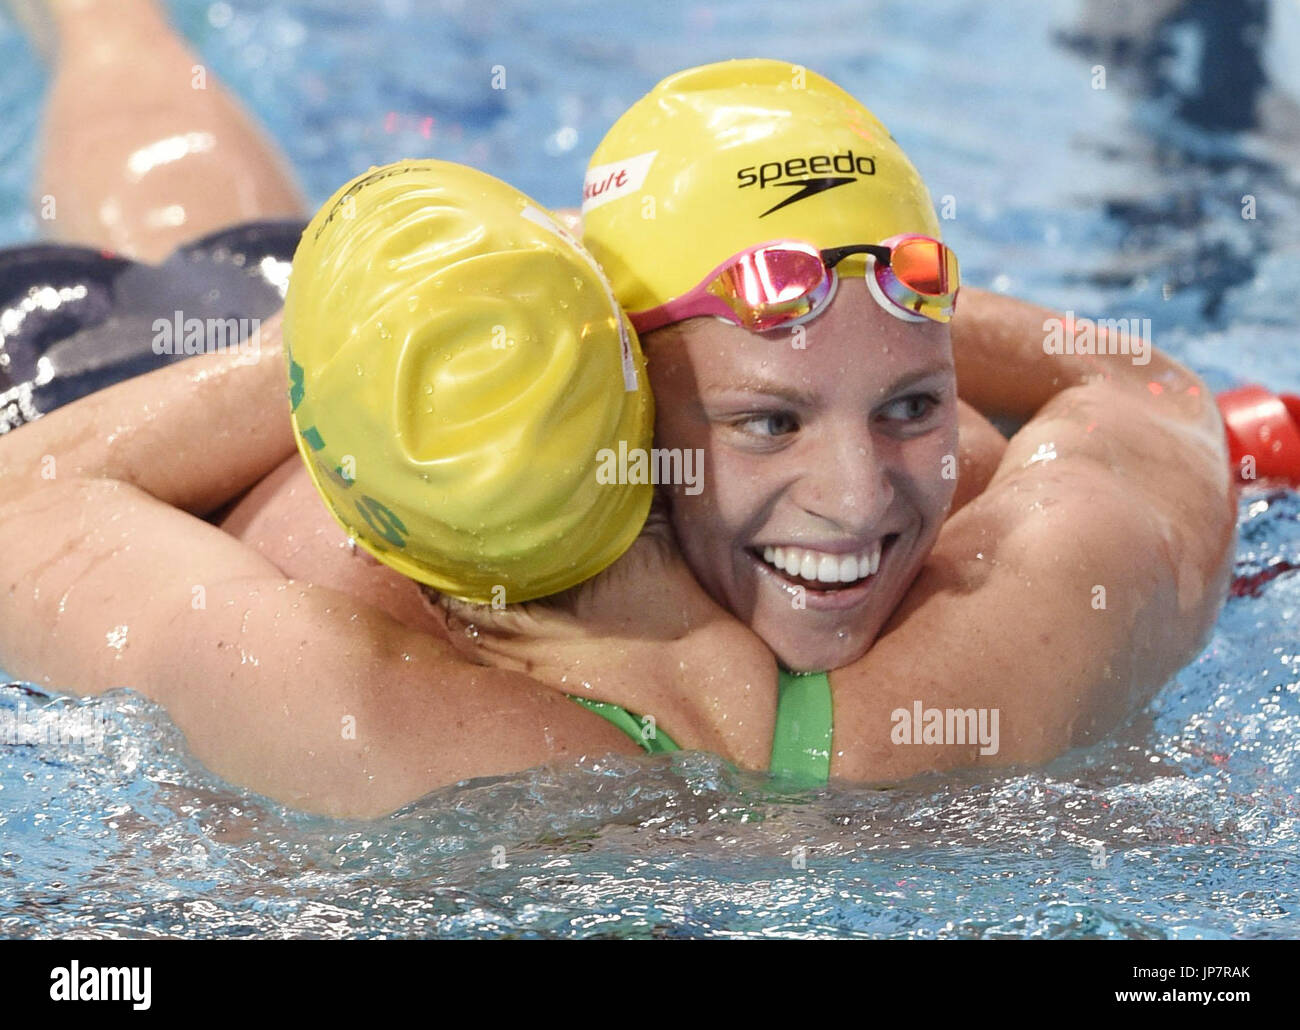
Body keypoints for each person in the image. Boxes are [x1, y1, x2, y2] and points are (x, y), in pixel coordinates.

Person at [0, 3, 1236, 817]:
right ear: (635, 401)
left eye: (906, 399)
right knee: (159, 152)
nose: (856, 498)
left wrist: (735, 287)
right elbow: (1149, 392)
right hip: (107, 394)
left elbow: (1143, 389)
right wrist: (336, 345)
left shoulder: (399, 737)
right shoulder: (360, 650)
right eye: (767, 421)